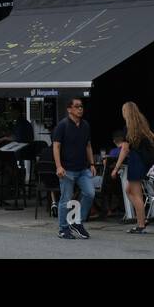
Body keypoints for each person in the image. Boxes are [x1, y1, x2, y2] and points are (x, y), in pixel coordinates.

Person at [112, 103, 154, 234]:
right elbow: (153, 140)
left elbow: (125, 149)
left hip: (135, 162)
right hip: (143, 162)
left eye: (123, 110)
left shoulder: (128, 128)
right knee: (129, 190)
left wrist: (116, 168)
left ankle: (140, 224)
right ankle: (142, 217)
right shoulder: (142, 126)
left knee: (136, 194)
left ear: (126, 112)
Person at [51, 98, 95, 240]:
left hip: (82, 168)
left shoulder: (85, 125)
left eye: (81, 106)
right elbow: (56, 146)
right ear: (69, 109)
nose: (80, 109)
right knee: (66, 199)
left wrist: (92, 164)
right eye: (77, 107)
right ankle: (63, 229)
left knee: (90, 193)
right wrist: (58, 166)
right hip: (67, 169)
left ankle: (77, 222)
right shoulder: (62, 126)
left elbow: (88, 145)